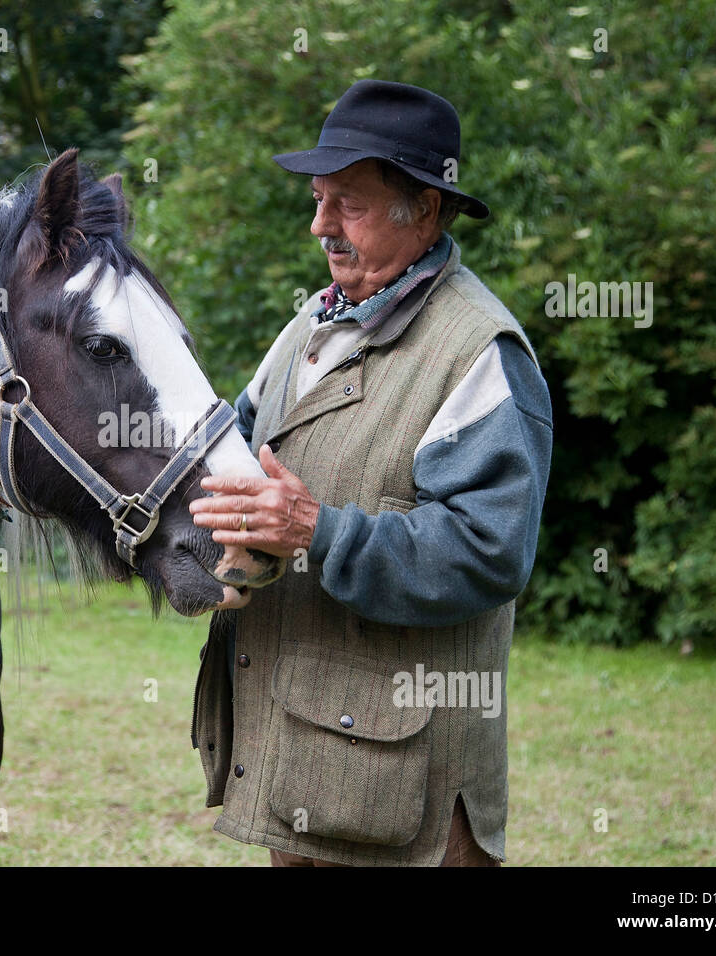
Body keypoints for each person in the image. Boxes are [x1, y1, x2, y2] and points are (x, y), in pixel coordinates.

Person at [188, 79, 553, 866]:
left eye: (347, 202)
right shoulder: (308, 327)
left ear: (423, 209)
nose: (320, 225)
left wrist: (318, 532)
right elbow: (235, 461)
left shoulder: (479, 353)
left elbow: (489, 550)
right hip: (304, 758)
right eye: (320, 201)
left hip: (404, 791)